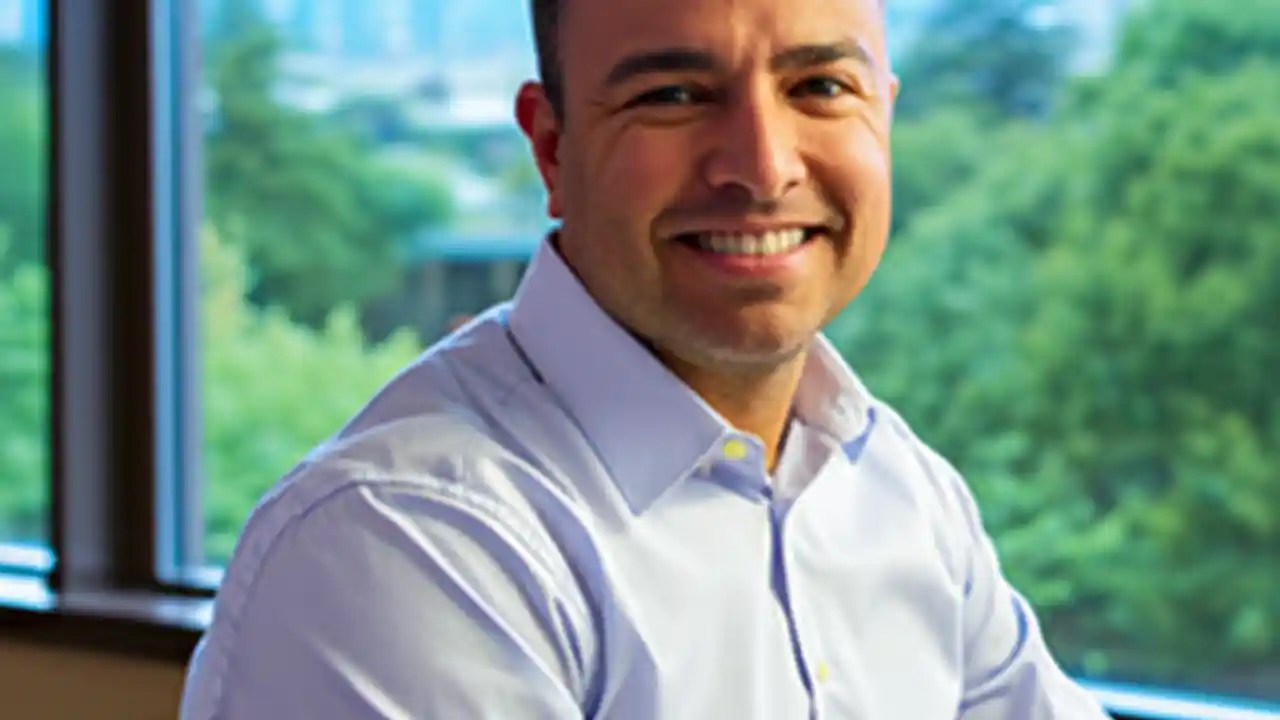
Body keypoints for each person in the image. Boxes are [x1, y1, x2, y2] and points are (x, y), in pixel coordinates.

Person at [181, 0, 1111, 717]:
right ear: (552, 148)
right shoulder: (403, 544)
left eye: (821, 87)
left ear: (884, 117)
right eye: (673, 95)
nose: (762, 165)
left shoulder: (899, 492)